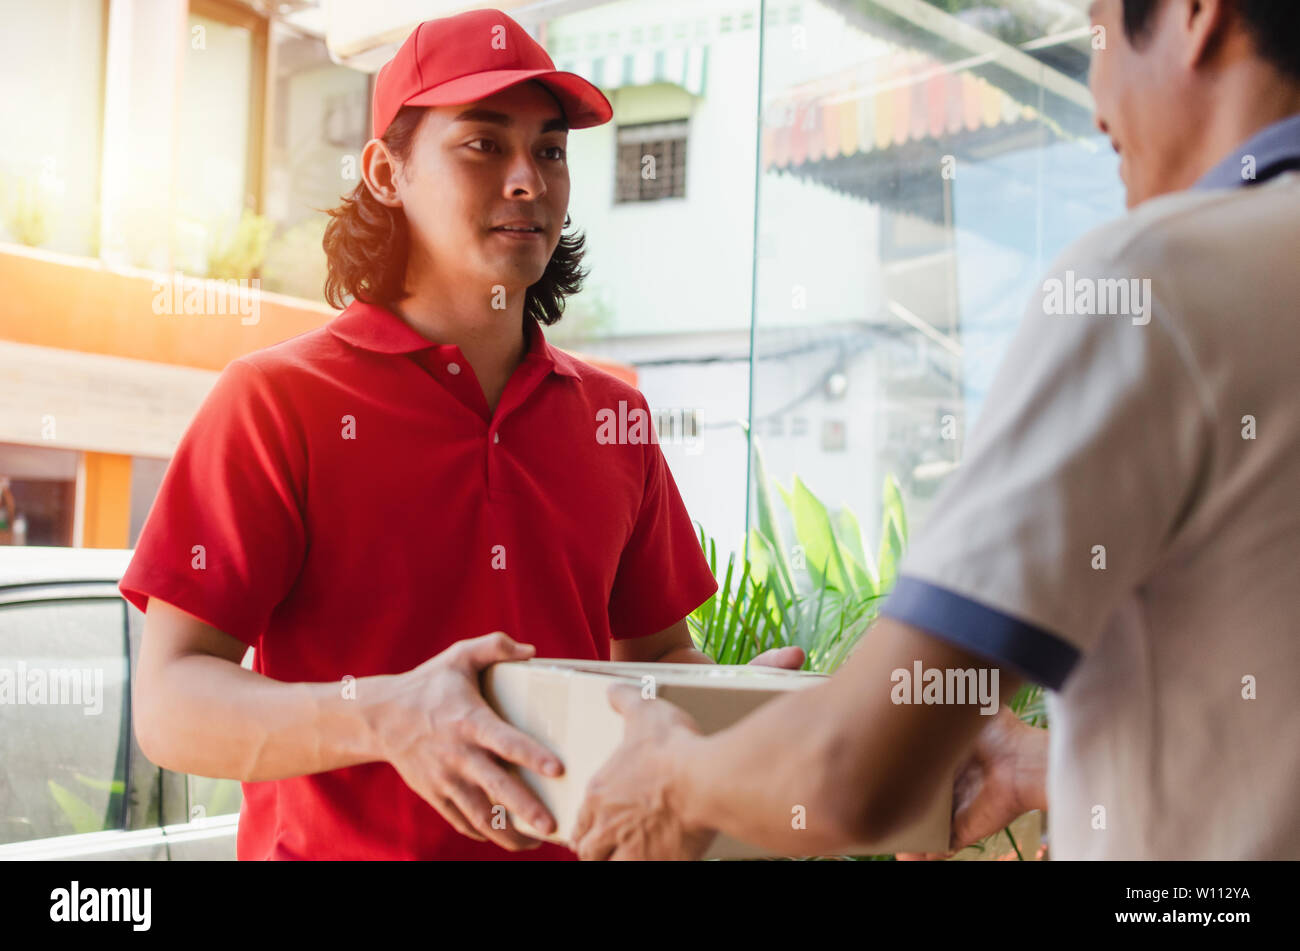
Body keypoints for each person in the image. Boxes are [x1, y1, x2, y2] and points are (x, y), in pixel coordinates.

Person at [571, 0, 1300, 861]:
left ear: (1191, 15)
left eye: (1097, 24)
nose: (1095, 93)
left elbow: (851, 773)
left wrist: (673, 775)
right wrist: (1048, 767)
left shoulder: (1148, 284)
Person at [121, 8, 801, 861]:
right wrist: (390, 716)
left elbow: (656, 658)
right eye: (484, 144)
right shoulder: (275, 402)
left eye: (550, 150)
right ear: (385, 171)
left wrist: (753, 715)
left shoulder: (612, 415)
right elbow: (171, 705)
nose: (528, 180)